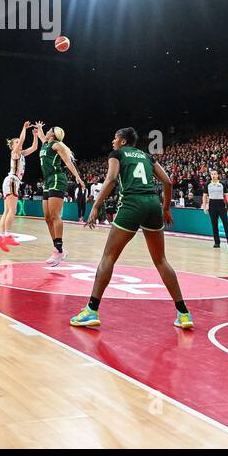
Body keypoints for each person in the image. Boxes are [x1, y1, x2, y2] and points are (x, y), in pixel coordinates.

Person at [70, 128, 193, 330]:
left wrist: (95, 205)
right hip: (153, 204)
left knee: (108, 257)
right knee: (161, 260)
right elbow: (168, 182)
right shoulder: (146, 156)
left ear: (123, 141)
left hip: (132, 204)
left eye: (115, 138)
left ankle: (91, 310)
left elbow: (110, 179)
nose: (112, 141)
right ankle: (184, 313)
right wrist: (166, 208)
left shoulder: (117, 154)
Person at [34, 123, 84, 266]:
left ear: (54, 135)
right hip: (48, 180)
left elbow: (67, 162)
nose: (48, 131)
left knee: (55, 215)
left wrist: (78, 177)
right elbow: (42, 136)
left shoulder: (56, 145)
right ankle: (58, 249)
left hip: (57, 178)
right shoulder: (46, 143)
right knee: (47, 217)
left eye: (50, 130)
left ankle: (59, 249)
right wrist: (40, 128)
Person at [0, 120, 37, 251]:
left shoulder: (21, 154)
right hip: (12, 181)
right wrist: (24, 128)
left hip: (10, 181)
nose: (19, 143)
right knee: (12, 210)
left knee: (7, 211)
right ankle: (7, 235)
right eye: (17, 142)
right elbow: (23, 140)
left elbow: (34, 148)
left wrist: (35, 135)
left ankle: (1, 237)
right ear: (13, 146)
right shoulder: (14, 153)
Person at [201, 169, 228, 249]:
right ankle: (217, 242)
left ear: (217, 175)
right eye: (212, 174)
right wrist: (204, 206)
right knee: (214, 225)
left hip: (221, 205)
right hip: (212, 205)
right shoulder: (207, 184)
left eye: (215, 174)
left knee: (226, 224)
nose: (213, 175)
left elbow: (227, 195)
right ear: (210, 175)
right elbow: (204, 196)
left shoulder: (222, 184)